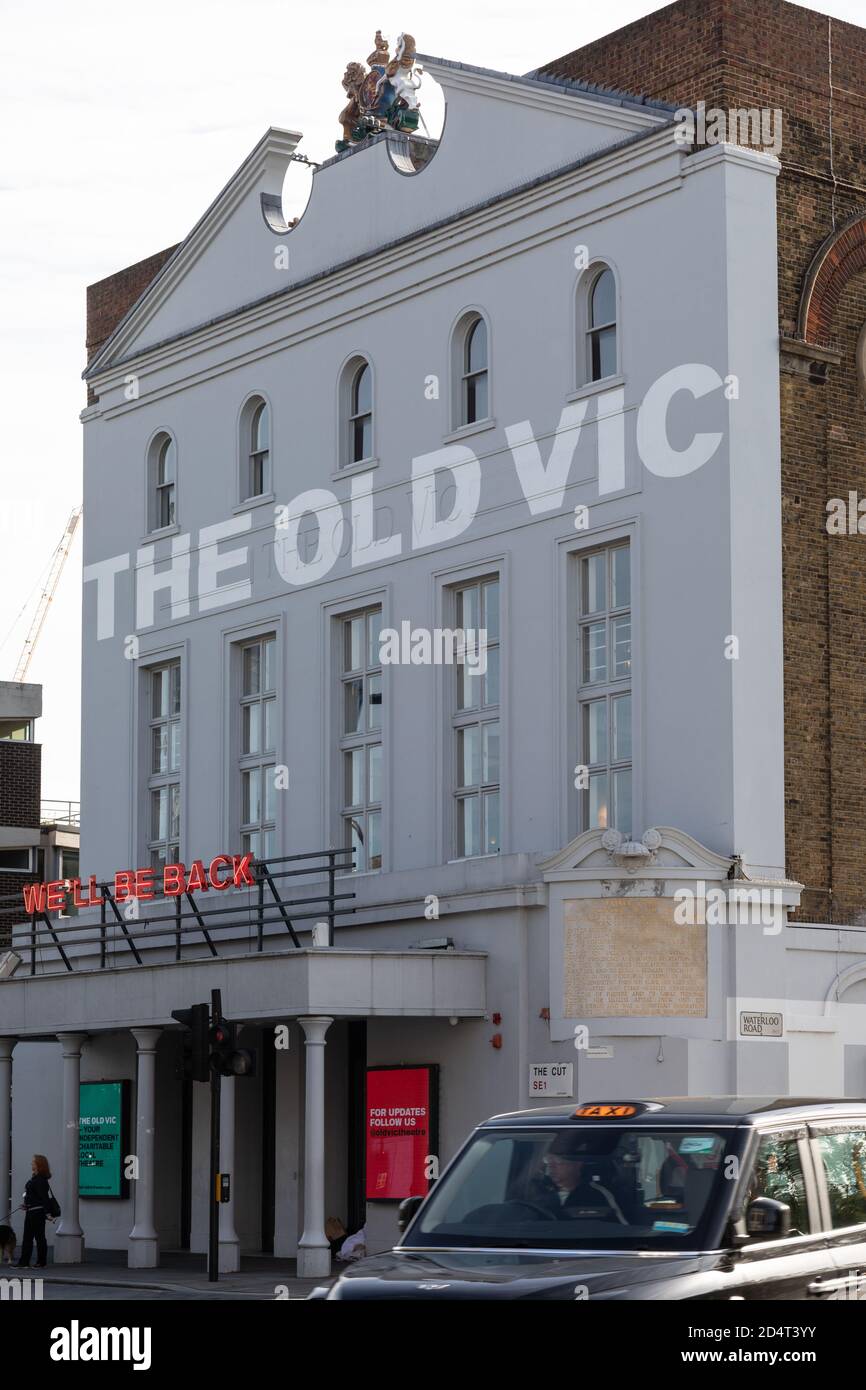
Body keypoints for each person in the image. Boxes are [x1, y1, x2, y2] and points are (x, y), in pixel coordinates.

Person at [540, 1134, 628, 1223]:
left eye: (558, 1161)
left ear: (577, 1164)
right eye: (548, 1160)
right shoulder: (537, 1191)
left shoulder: (600, 1194)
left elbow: (623, 1229)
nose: (551, 1166)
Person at [16, 1154, 53, 1268]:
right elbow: (34, 1196)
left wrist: (48, 1213)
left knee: (38, 1238)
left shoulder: (41, 1180)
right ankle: (25, 1262)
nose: (31, 1163)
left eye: (33, 1162)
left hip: (37, 1213)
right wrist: (26, 1205)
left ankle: (40, 1262)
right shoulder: (35, 1178)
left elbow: (44, 1198)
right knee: (29, 1238)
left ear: (39, 1164)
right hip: (31, 1211)